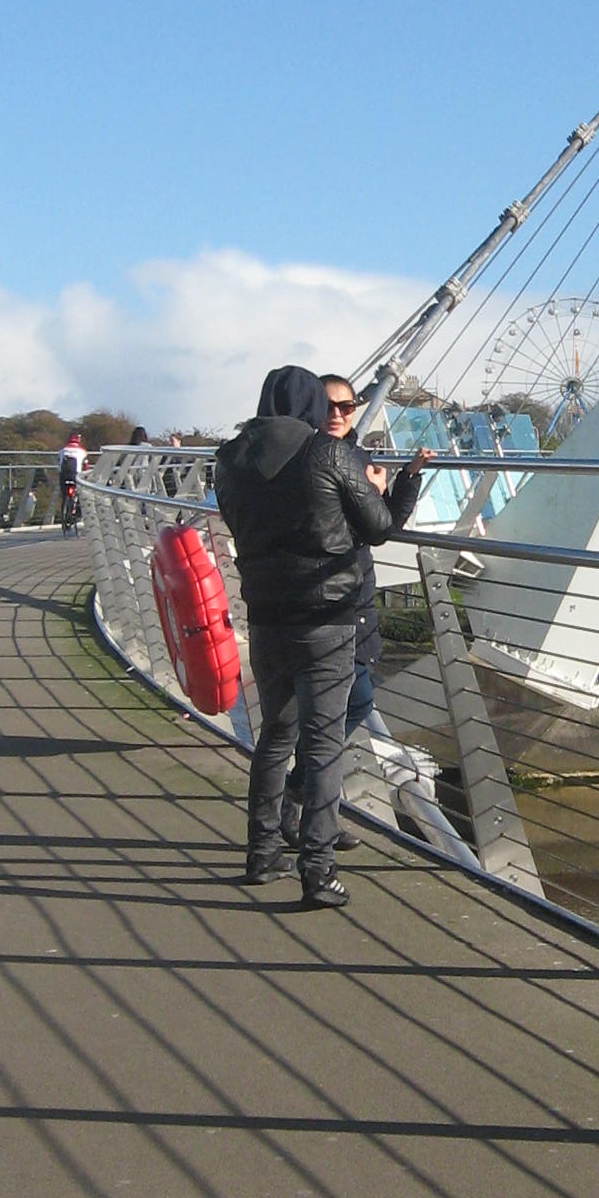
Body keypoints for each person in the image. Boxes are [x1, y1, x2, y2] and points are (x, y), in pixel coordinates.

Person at [212, 364, 421, 910]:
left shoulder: (228, 462)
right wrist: (379, 487)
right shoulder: (324, 454)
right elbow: (377, 526)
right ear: (308, 406)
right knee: (324, 746)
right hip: (325, 616)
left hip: (265, 614)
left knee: (275, 737)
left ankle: (261, 853)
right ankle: (318, 870)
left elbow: (241, 525)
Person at [282, 373, 386, 844]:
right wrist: (374, 496)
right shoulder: (312, 459)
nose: (339, 414)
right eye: (329, 406)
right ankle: (306, 813)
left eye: (348, 406)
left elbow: (382, 526)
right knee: (348, 703)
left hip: (353, 595)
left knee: (338, 708)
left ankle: (303, 811)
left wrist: (405, 483)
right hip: (327, 600)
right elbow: (362, 523)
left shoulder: (356, 457)